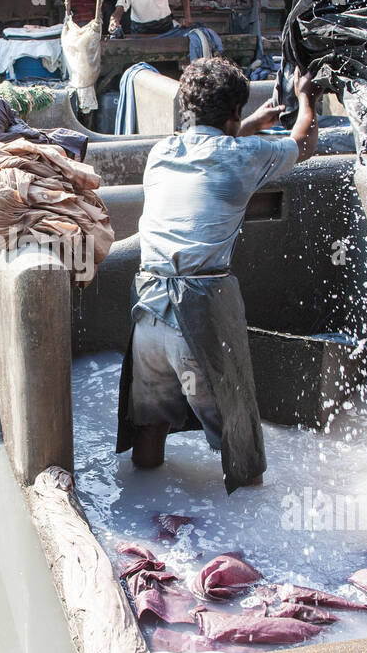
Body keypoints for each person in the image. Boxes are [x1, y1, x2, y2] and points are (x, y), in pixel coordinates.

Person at [115, 57, 321, 492]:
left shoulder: (161, 153)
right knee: (240, 446)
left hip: (149, 315)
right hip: (198, 318)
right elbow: (304, 142)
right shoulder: (246, 154)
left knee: (150, 428)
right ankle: (249, 530)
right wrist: (305, 99)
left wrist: (247, 123)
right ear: (231, 115)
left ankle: (145, 500)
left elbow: (209, 149)